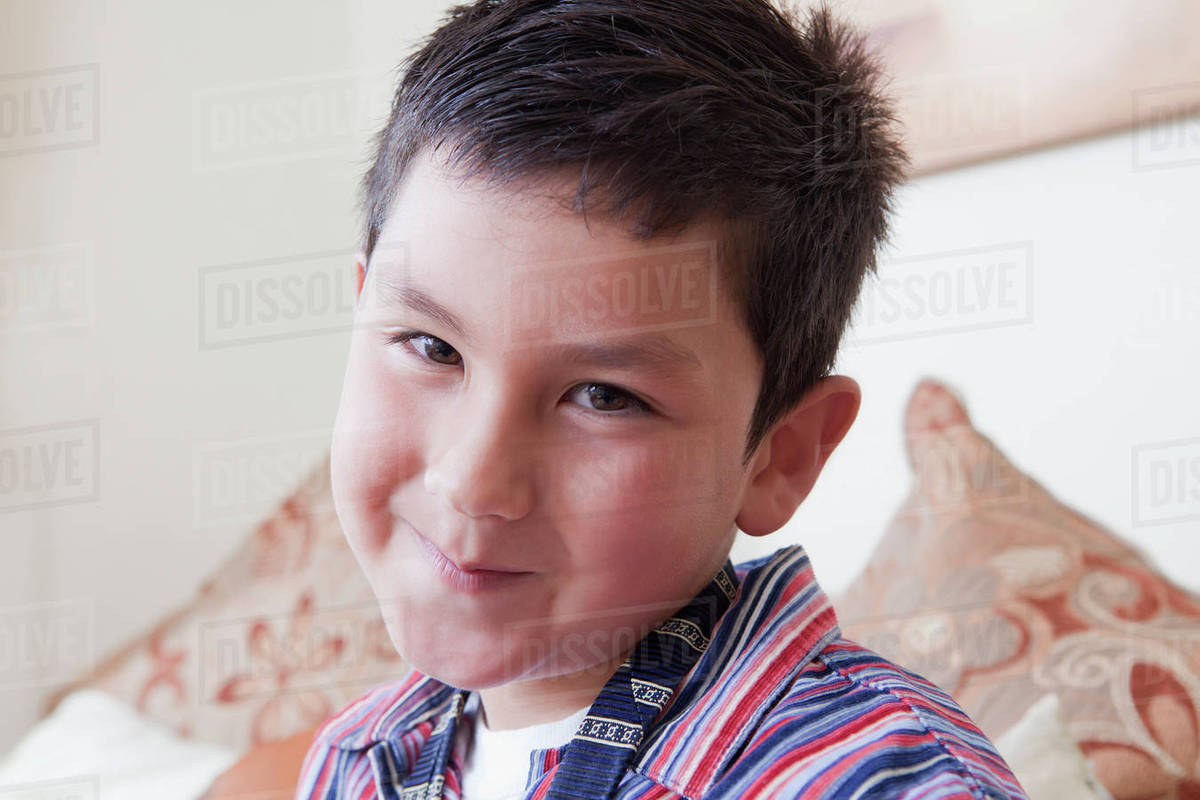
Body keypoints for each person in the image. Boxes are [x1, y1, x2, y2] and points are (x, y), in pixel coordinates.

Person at [296, 0, 1028, 796]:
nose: (472, 481)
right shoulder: (358, 761)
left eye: (604, 398)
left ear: (781, 456)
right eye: (433, 348)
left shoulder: (879, 780)